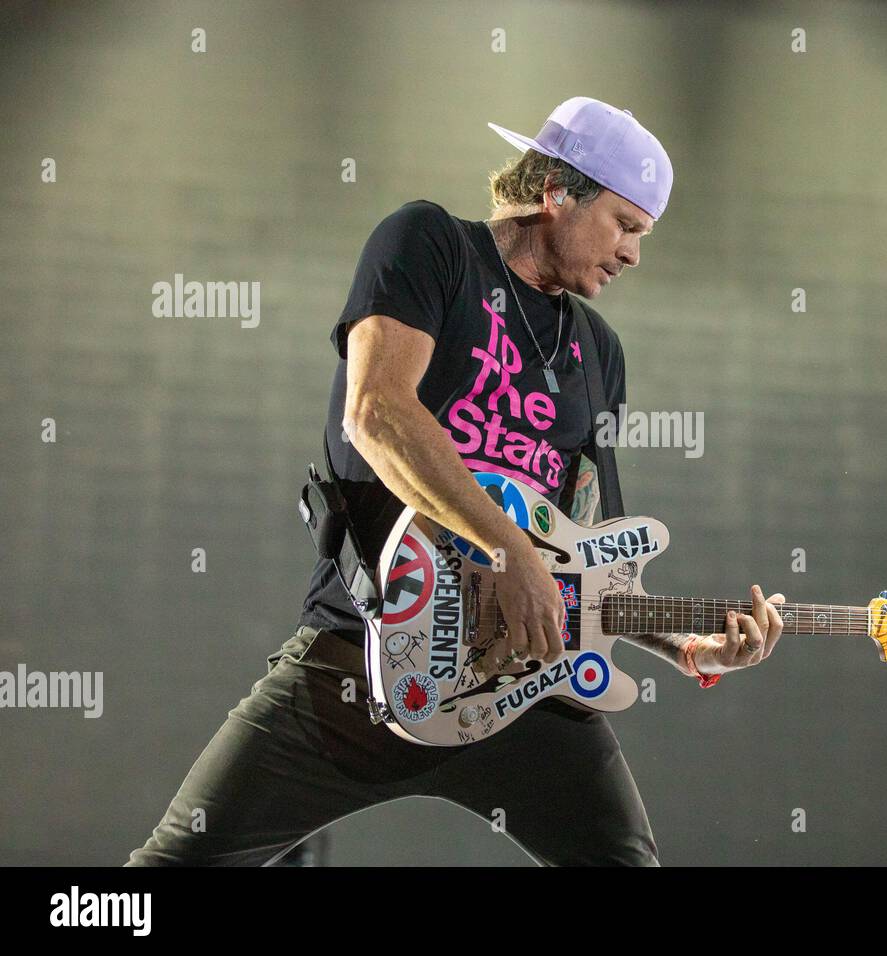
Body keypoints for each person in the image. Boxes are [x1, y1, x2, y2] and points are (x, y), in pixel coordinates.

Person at [126, 96, 786, 867]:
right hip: (362, 658)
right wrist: (509, 550)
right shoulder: (430, 244)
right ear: (558, 192)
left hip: (520, 690)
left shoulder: (599, 353)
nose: (635, 254)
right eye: (627, 225)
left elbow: (586, 568)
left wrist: (689, 648)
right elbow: (376, 416)